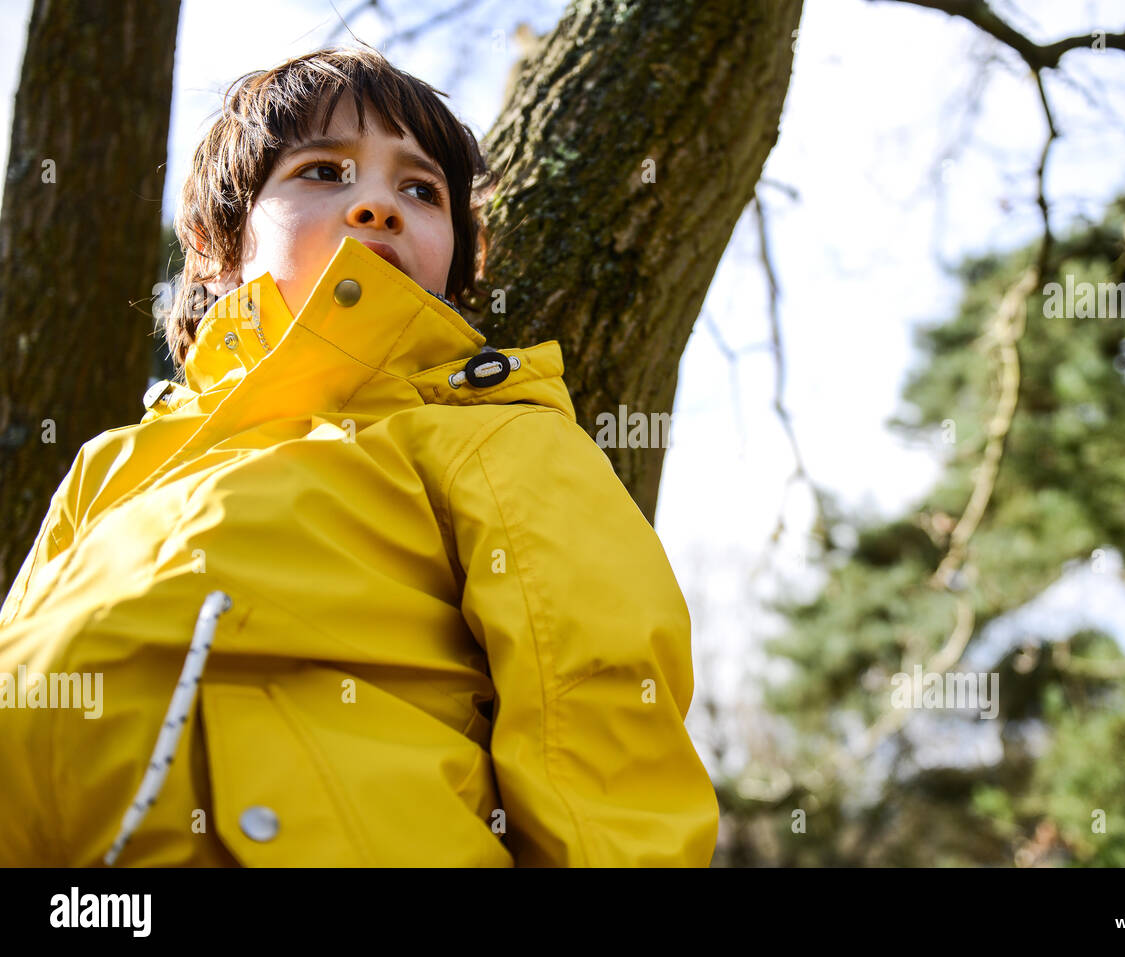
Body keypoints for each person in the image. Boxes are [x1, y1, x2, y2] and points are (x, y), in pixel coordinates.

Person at [0, 45, 718, 867]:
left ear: (457, 264)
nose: (377, 204)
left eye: (420, 190)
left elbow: (597, 695)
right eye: (323, 172)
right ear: (218, 244)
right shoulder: (113, 462)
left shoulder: (491, 429)